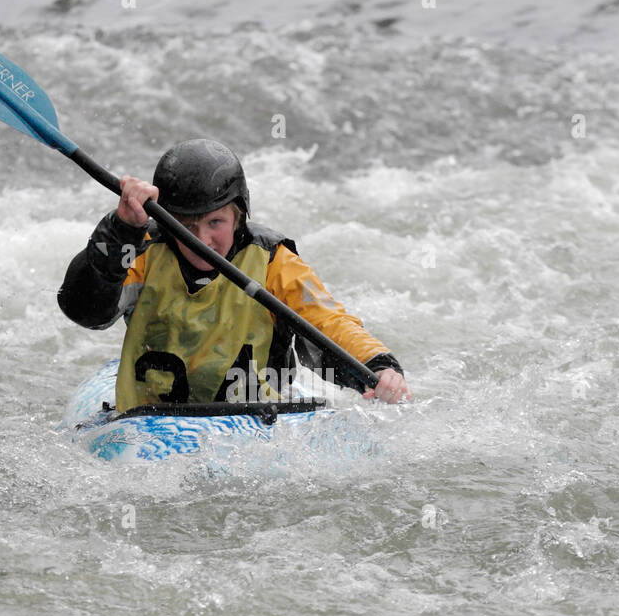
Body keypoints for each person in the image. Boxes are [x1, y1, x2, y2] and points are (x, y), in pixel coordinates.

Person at [58, 139, 410, 412]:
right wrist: (120, 230)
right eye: (186, 225)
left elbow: (327, 322)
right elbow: (87, 311)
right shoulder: (144, 252)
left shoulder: (272, 260)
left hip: (255, 420)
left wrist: (378, 367)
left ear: (238, 216)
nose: (202, 239)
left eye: (215, 223)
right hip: (151, 421)